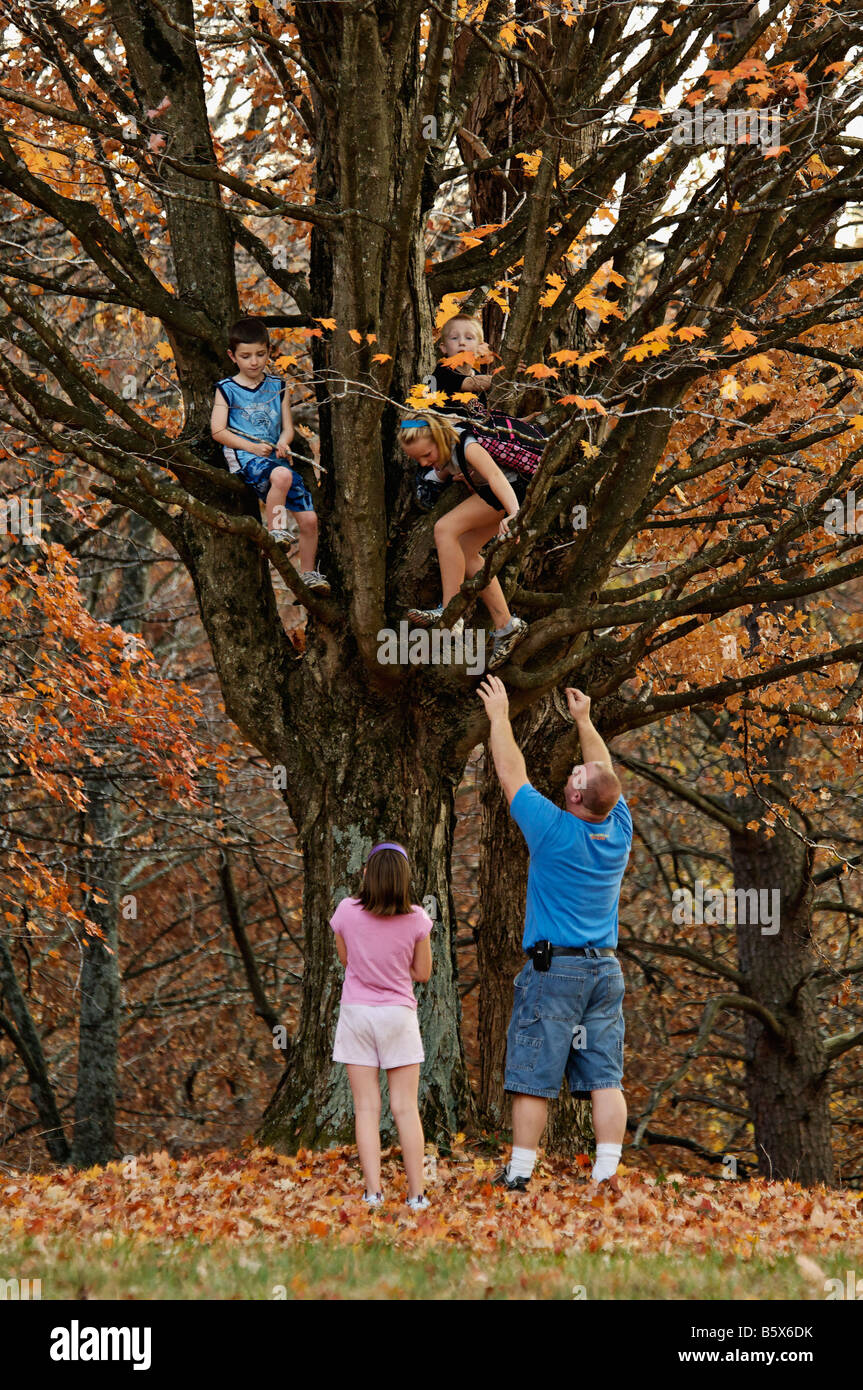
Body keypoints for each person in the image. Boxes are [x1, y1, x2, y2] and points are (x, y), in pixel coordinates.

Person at [476, 675, 632, 1191]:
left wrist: (499, 717)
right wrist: (585, 720)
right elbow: (605, 771)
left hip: (555, 970)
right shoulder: (618, 829)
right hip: (604, 971)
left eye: (577, 772)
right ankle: (607, 1172)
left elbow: (510, 773)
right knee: (604, 1076)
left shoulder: (552, 829)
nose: (577, 768)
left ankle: (519, 1174)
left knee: (534, 1075)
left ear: (573, 794)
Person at [331, 841, 434, 1209]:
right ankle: (416, 1194)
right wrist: (395, 966)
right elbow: (423, 973)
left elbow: (347, 959)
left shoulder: (345, 911)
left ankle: (373, 1191)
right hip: (397, 1016)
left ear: (367, 875)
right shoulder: (418, 920)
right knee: (405, 1107)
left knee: (366, 1108)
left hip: (357, 1013)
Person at [399, 413, 529, 670]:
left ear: (439, 437)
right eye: (418, 460)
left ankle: (450, 612)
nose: (425, 462)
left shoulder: (466, 444)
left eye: (427, 454)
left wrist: (515, 514)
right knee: (467, 552)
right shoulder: (448, 454)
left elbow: (495, 476)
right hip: (501, 493)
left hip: (511, 491)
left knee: (445, 529)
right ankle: (506, 625)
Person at [210, 316, 330, 594]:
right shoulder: (226, 389)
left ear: (268, 351)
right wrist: (251, 447)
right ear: (233, 356)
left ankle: (309, 574)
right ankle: (276, 530)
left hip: (275, 460)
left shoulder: (278, 386)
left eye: (260, 354)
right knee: (281, 475)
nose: (254, 361)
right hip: (246, 457)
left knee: (310, 519)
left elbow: (287, 429)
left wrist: (283, 443)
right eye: (246, 356)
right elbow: (217, 431)